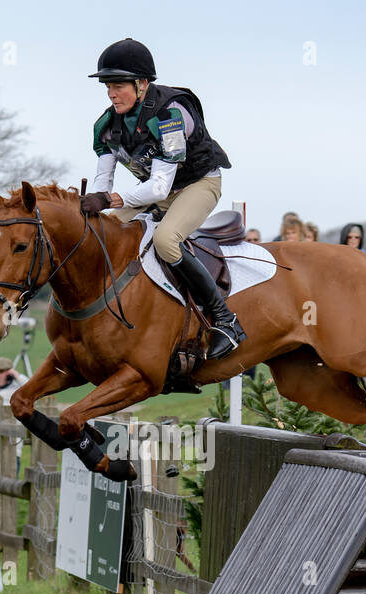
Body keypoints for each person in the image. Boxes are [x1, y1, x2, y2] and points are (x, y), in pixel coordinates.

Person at [80, 38, 244, 359]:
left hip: (197, 184)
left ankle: (225, 319)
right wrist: (96, 202)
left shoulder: (171, 114)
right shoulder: (106, 124)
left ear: (142, 84)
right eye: (107, 87)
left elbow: (157, 188)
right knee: (105, 230)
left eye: (118, 86)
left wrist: (109, 199)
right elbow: (104, 180)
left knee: (167, 240)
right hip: (154, 187)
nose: (111, 94)